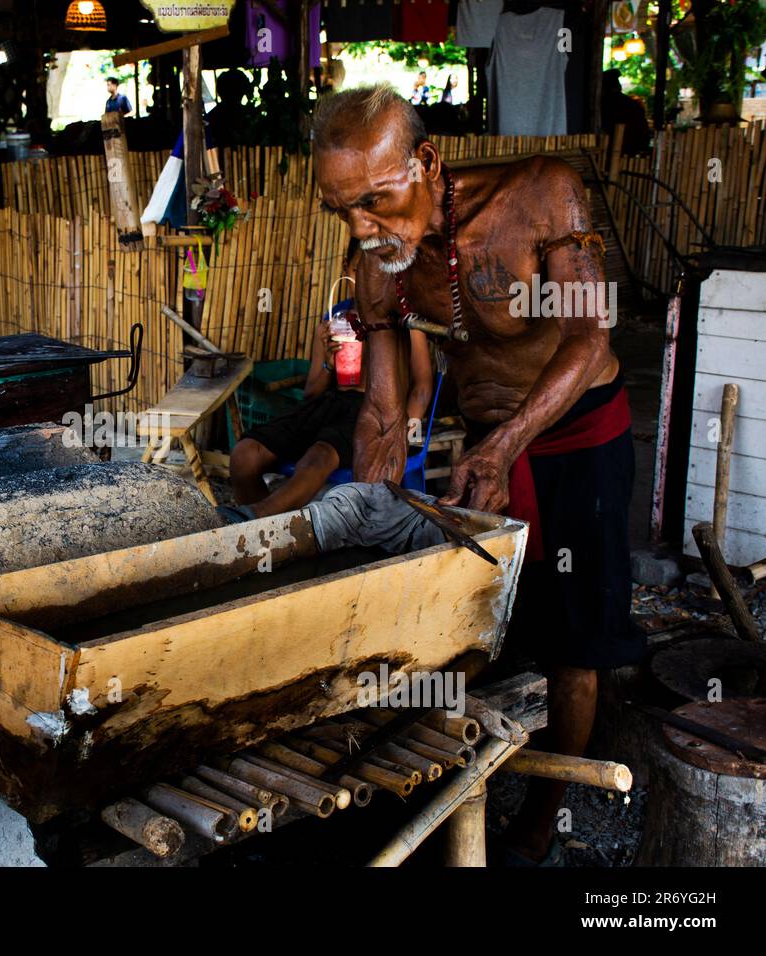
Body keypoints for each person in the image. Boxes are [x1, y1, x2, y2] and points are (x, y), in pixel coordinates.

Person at [316, 84, 638, 865]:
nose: (363, 229)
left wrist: (507, 445)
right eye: (343, 212)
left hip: (578, 440)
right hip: (493, 444)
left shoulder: (541, 195)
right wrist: (371, 514)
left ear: (425, 161)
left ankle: (546, 812)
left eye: (377, 201)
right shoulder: (381, 262)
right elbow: (385, 417)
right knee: (467, 625)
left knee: (572, 642)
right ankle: (450, 786)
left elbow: (589, 339)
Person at [230, 270, 434, 519]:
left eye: (378, 269)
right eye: (358, 270)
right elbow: (312, 393)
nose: (368, 278)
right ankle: (269, 538)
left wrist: (400, 433)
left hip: (376, 411)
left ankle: (254, 519)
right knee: (244, 456)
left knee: (319, 456)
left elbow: (422, 389)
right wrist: (327, 363)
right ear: (346, 271)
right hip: (327, 405)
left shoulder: (406, 322)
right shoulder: (335, 321)